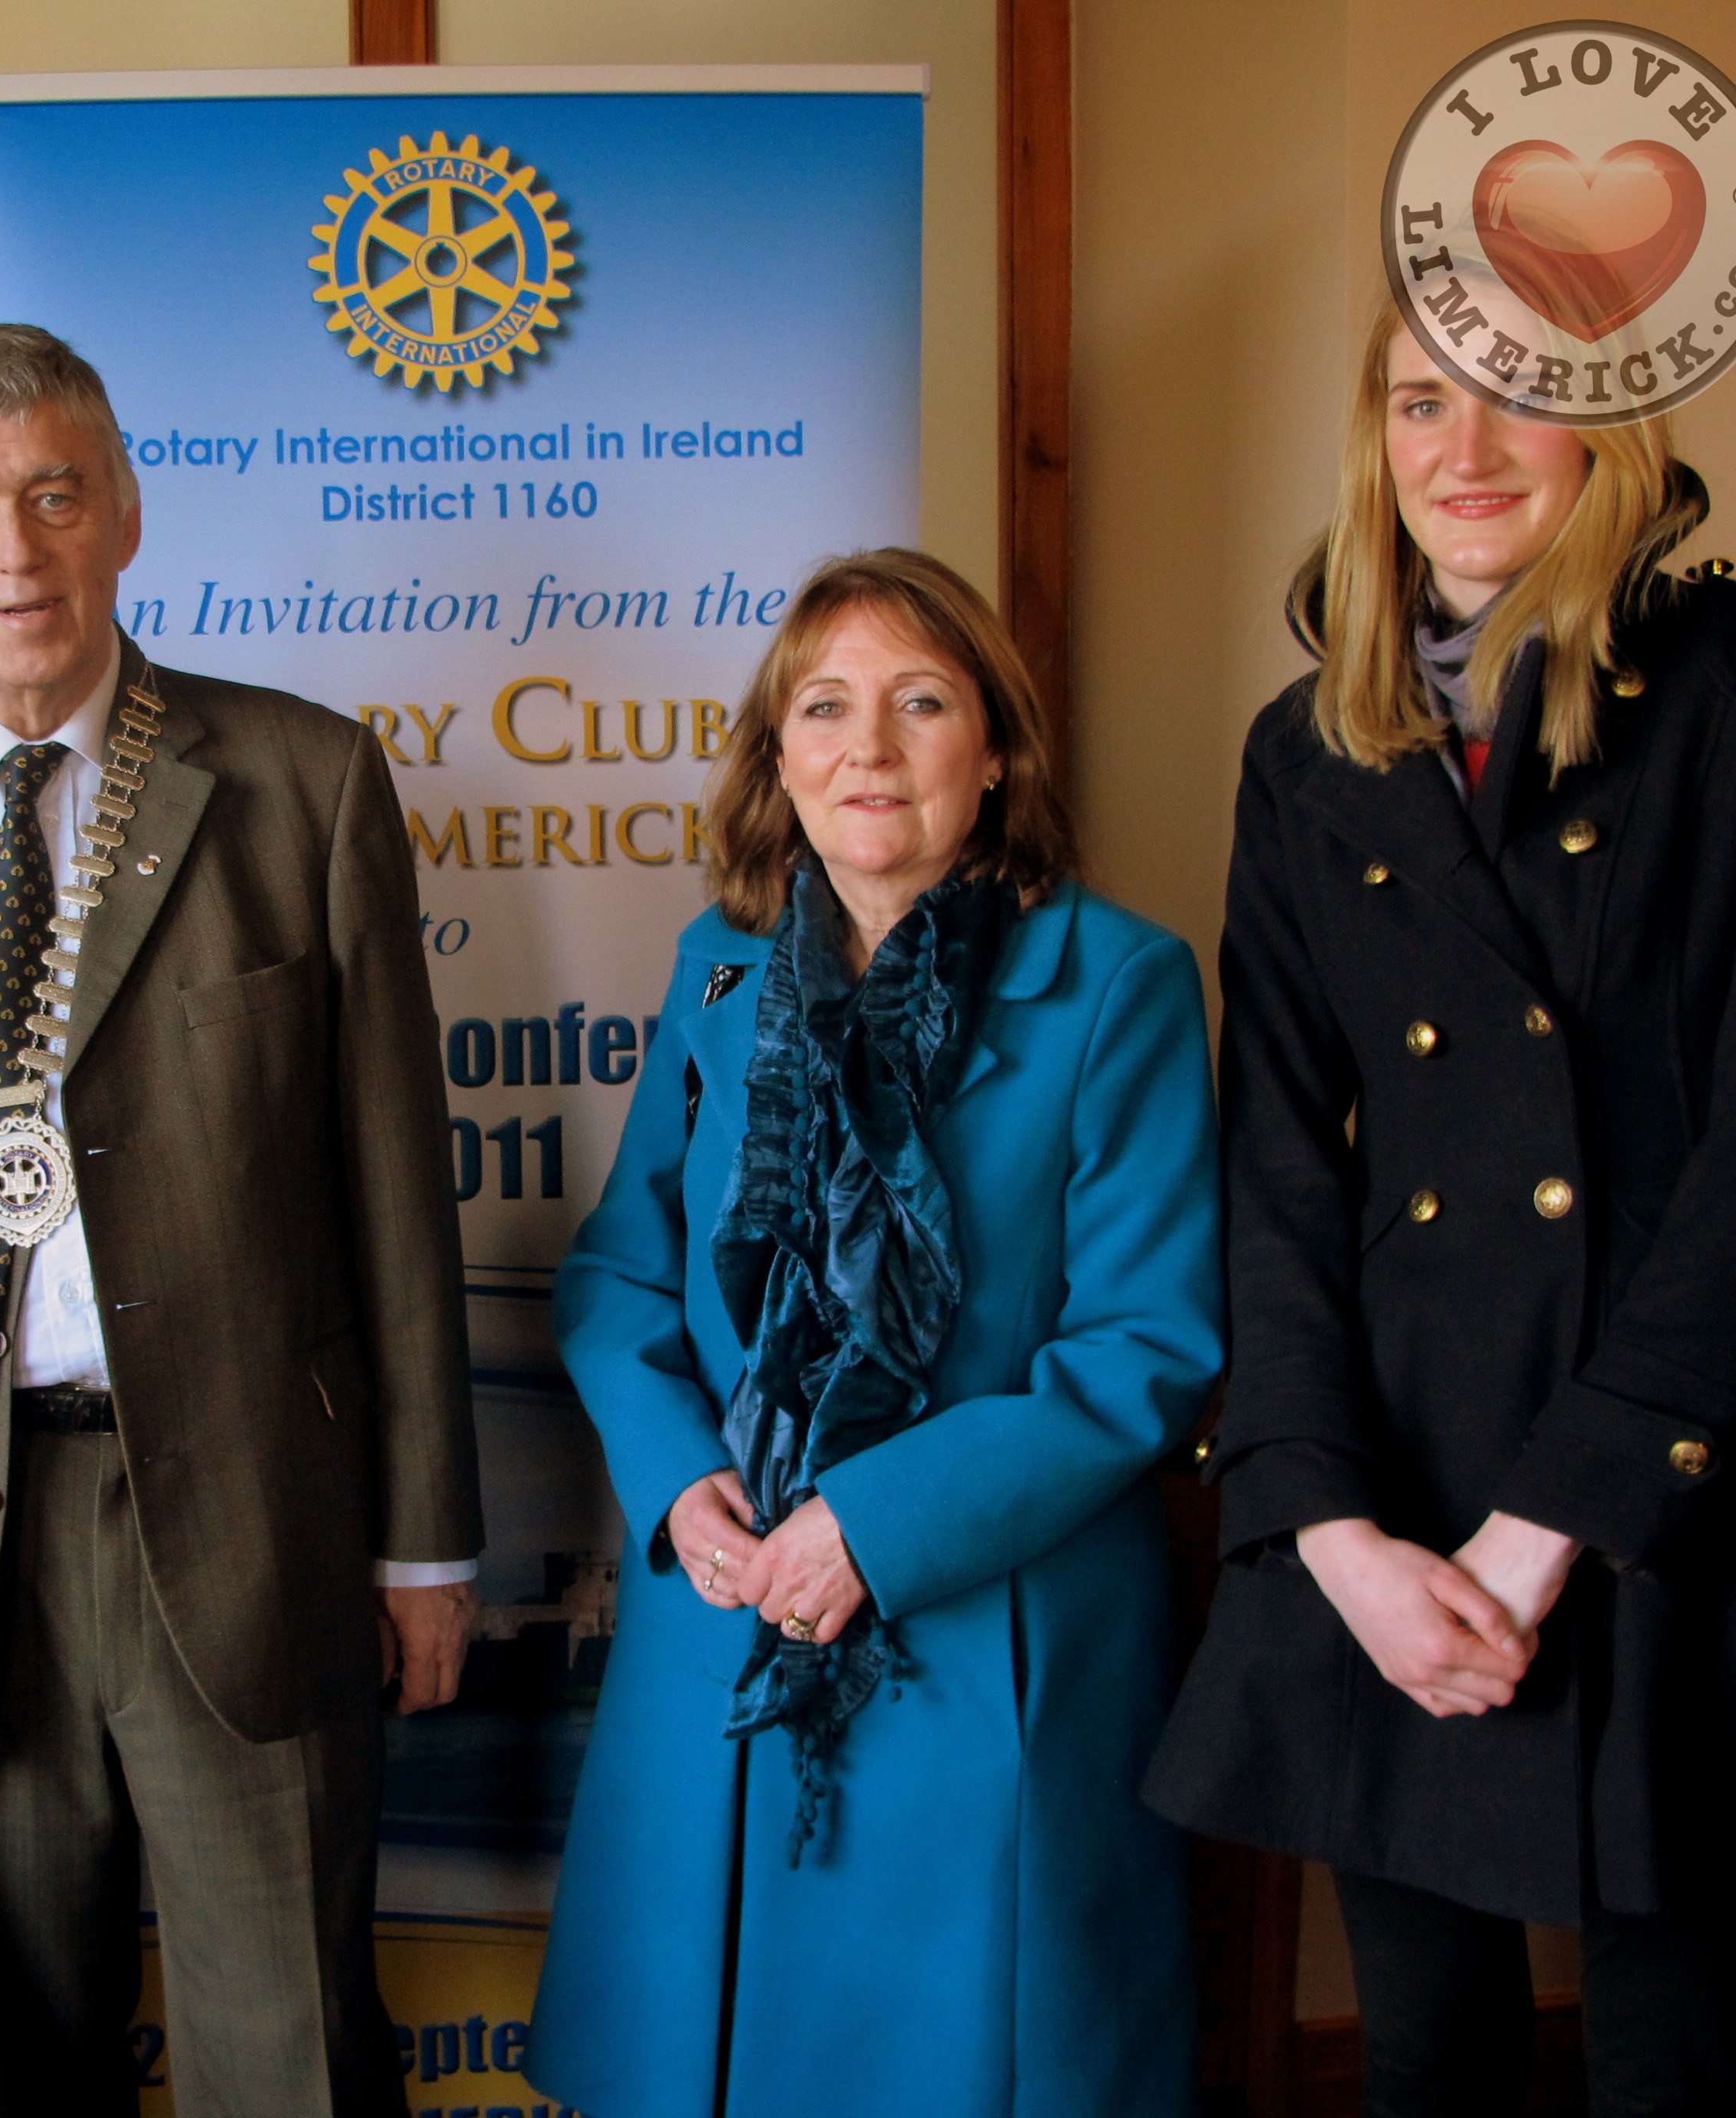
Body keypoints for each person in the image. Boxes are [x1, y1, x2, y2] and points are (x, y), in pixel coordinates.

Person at [0, 323, 484, 2117]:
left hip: (246, 1522)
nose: (17, 552)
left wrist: (428, 1547)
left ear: (127, 514)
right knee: (23, 2050)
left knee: (290, 2048)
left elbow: (394, 1186)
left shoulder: (305, 786)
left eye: (56, 496)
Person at [1146, 301, 1736, 2115]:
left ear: (1623, 431)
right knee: (1423, 2065)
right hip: (1399, 1501)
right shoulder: (1308, 751)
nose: (1464, 450)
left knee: (1669, 2069)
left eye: (1527, 401)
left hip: (1679, 1486)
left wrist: (1553, 1525)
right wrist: (1330, 1531)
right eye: (1422, 400)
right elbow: (1276, 1167)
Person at [528, 549, 1224, 2116]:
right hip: (728, 1605)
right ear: (778, 758)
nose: (872, 749)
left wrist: (875, 1526)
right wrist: (675, 1486)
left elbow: (1143, 1345)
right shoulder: (719, 970)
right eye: (825, 708)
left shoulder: (1123, 983)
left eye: (923, 704)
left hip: (989, 1628)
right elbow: (619, 1274)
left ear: (997, 751)